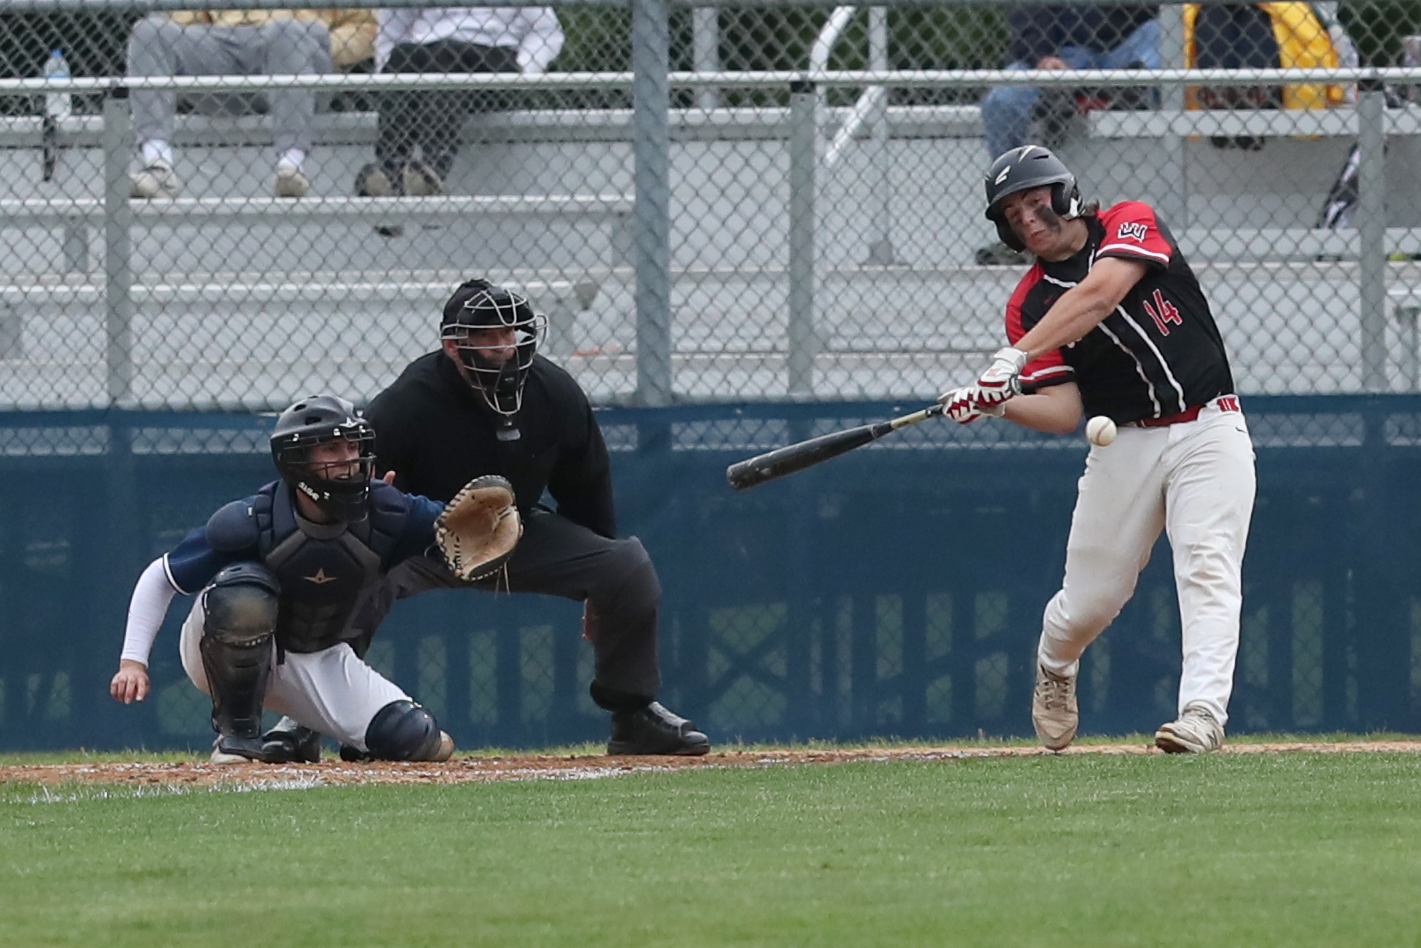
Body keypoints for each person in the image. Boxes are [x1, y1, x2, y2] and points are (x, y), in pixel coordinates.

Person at [939, 145, 1256, 753]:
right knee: (1090, 603)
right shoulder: (1026, 302)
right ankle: (1056, 665)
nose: (1028, 218)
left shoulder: (1128, 221)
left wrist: (1014, 359)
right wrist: (995, 401)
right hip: (1125, 443)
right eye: (1012, 214)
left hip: (1210, 426)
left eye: (1037, 201)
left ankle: (1202, 713)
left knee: (1208, 564)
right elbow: (1061, 411)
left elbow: (1101, 293)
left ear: (1066, 193)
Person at [359, 279, 711, 756]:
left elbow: (585, 487)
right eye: (487, 337)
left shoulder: (553, 391)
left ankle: (633, 715)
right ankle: (310, 719)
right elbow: (360, 495)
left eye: (512, 334)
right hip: (426, 536)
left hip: (516, 532)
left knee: (625, 566)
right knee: (352, 574)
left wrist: (599, 591)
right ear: (453, 347)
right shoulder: (408, 400)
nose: (504, 348)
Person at [109, 395, 457, 764]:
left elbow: (460, 528)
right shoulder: (254, 520)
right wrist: (133, 662)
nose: (349, 458)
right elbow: (160, 577)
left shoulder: (387, 510)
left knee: (416, 740)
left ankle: (300, 728)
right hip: (217, 650)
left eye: (353, 446)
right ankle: (236, 736)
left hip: (316, 654)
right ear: (297, 460)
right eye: (331, 448)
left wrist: (492, 527)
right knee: (244, 595)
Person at [975, 4, 1160, 265]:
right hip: (1062, 55)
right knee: (1002, 102)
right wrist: (1042, 57)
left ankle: (1128, 88)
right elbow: (1027, 14)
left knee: (1159, 32)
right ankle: (1018, 233)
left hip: (1123, 53)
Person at [126, 8, 377, 200]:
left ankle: (291, 166)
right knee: (148, 31)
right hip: (227, 48)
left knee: (285, 31)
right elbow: (182, 20)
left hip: (297, 51)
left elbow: (367, 25)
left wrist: (321, 47)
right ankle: (158, 166)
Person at [353, 6, 564, 203]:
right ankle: (390, 171)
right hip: (428, 55)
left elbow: (546, 29)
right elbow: (392, 30)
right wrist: (385, 76)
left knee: (447, 53)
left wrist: (524, 71)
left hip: (492, 54)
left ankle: (433, 168)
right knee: (403, 55)